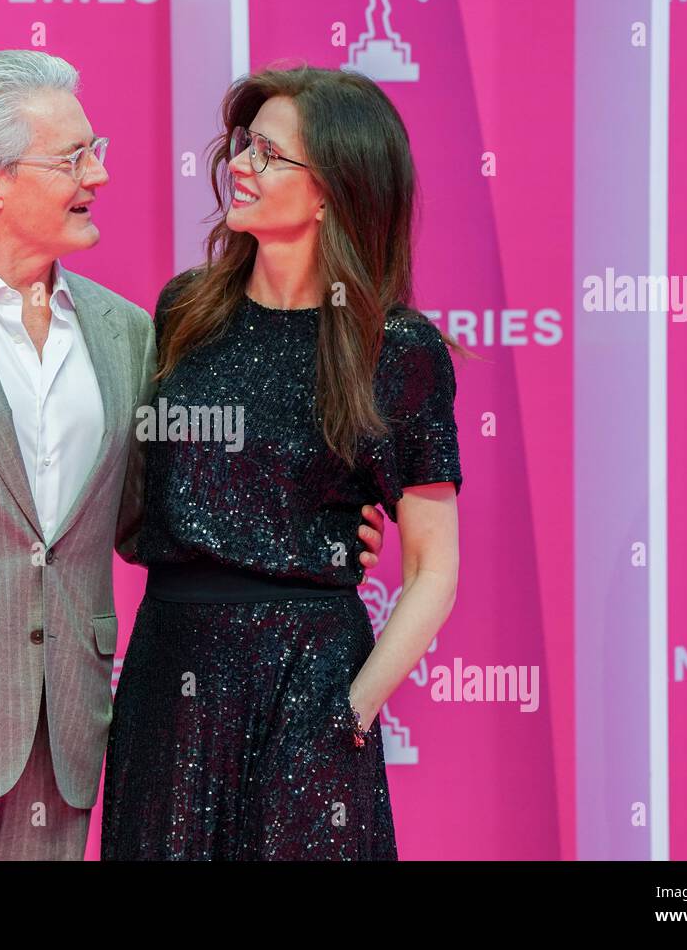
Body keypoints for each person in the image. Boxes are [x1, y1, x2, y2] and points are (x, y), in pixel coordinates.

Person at [0, 50, 387, 861]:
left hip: (66, 755)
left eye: (95, 148)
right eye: (74, 157)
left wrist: (307, 526)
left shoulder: (125, 331)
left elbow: (153, 513)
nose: (99, 173)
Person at [101, 65, 466, 860]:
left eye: (269, 153)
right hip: (172, 671)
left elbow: (435, 569)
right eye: (242, 144)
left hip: (310, 684)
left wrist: (352, 709)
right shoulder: (185, 312)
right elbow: (148, 498)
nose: (240, 165)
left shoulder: (396, 349)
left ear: (335, 187)